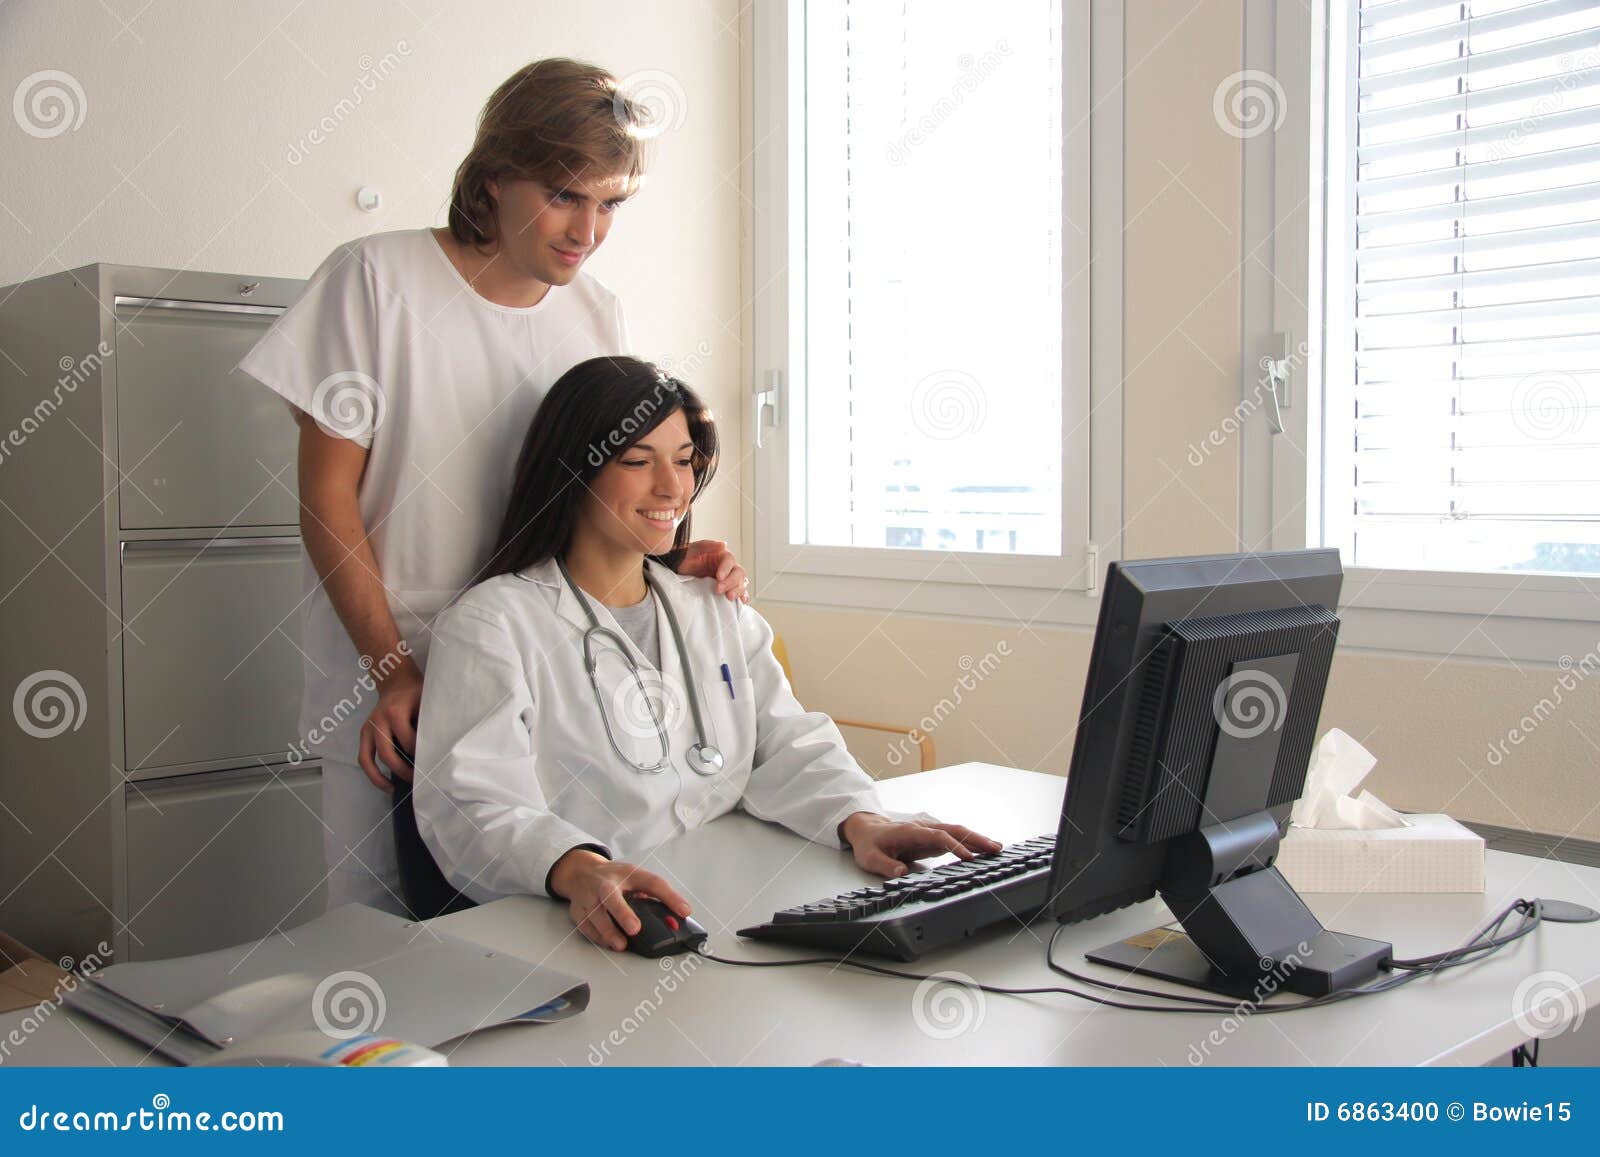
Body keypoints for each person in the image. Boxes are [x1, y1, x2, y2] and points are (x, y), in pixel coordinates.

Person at [234, 59, 747, 917]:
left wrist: (678, 549)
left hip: (548, 674)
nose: (588, 228)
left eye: (611, 203)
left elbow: (592, 481)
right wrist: (394, 669)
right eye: (563, 194)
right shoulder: (375, 281)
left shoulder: (596, 312)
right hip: (394, 681)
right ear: (495, 176)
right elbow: (326, 498)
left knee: (544, 929)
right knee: (389, 941)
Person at [412, 356, 1002, 952]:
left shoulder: (715, 608)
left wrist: (860, 819)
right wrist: (576, 866)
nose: (672, 487)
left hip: (731, 900)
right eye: (638, 461)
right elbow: (472, 804)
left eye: (685, 460)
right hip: (586, 928)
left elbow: (786, 741)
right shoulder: (493, 624)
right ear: (573, 471)